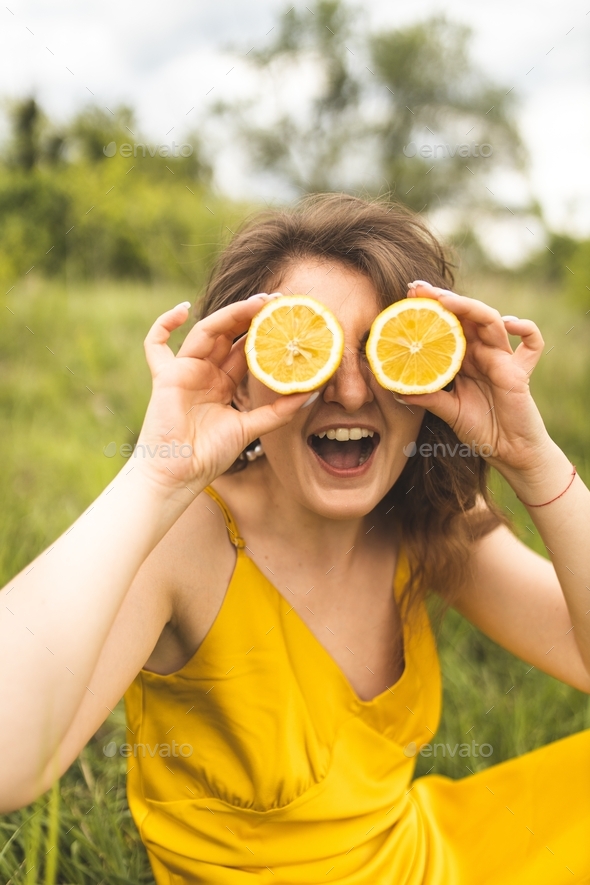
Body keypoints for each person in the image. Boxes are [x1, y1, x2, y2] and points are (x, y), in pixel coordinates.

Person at [1, 194, 589, 884]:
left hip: (439, 860)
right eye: (310, 349)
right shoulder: (191, 541)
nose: (347, 388)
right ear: (244, 381)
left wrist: (533, 458)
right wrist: (155, 476)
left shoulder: (423, 519)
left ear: (430, 373)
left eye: (380, 349)